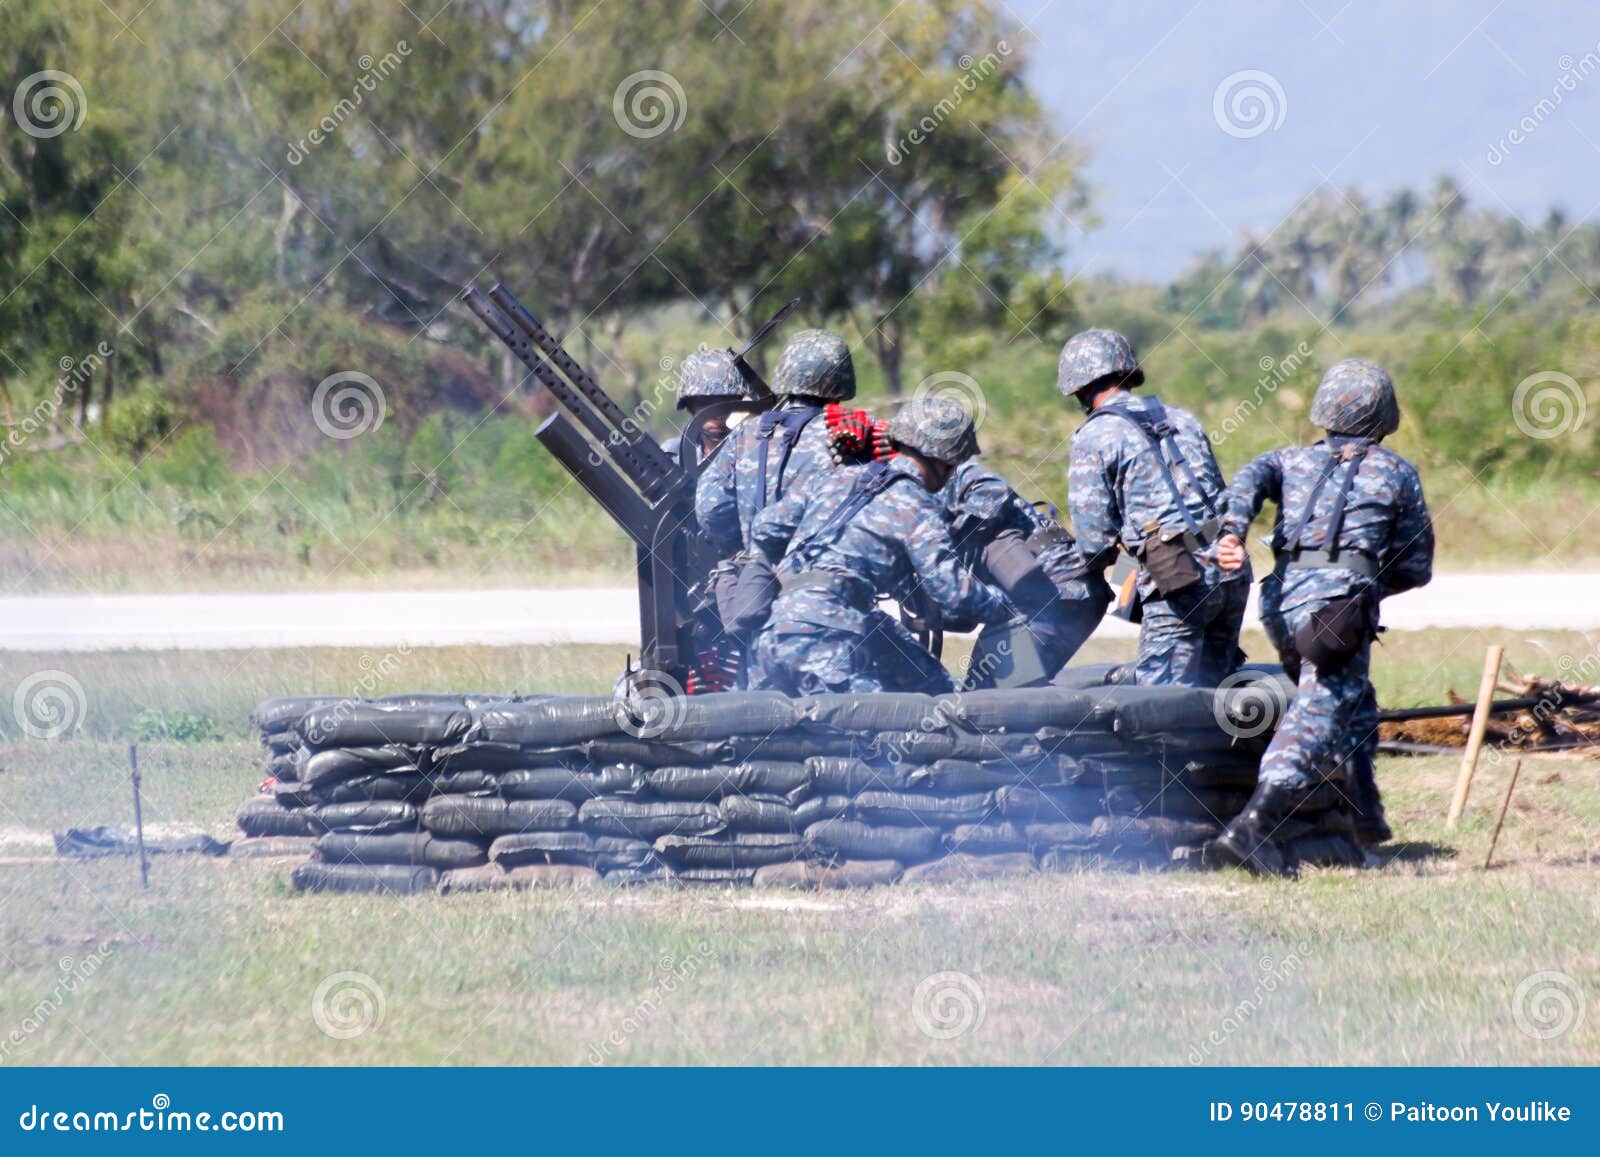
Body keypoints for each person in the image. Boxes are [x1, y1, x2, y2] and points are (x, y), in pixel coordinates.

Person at [1211, 358, 1434, 873]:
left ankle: (1363, 813)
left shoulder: (1287, 460)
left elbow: (1248, 477)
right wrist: (1365, 589)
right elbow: (1416, 566)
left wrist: (1231, 530)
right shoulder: (1398, 472)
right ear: (1382, 415)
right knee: (1318, 708)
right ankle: (1252, 829)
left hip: (1279, 603)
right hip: (1338, 612)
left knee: (1353, 700)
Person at [747, 397, 1012, 695]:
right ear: (942, 460)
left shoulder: (836, 479)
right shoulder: (916, 503)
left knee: (933, 686)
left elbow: (765, 527)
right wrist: (1003, 606)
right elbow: (953, 593)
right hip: (825, 640)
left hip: (771, 635)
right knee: (874, 732)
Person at [1062, 328, 1249, 686]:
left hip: (1177, 578)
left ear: (1081, 387)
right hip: (1231, 569)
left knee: (1162, 707)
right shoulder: (1182, 418)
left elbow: (1095, 543)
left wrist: (1113, 567)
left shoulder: (1094, 436)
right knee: (1215, 694)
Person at [942, 459, 1110, 686]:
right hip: (1057, 596)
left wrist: (943, 535)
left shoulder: (956, 474)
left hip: (1056, 593)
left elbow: (995, 491)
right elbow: (963, 620)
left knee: (989, 701)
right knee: (1002, 696)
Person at [694, 329, 855, 558]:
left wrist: (745, 548)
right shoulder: (847, 434)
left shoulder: (745, 433)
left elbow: (711, 509)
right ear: (841, 385)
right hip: (826, 582)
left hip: (756, 580)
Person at [662, 349, 747, 467]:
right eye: (706, 403)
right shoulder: (673, 454)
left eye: (725, 403)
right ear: (690, 406)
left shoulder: (757, 450)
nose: (717, 414)